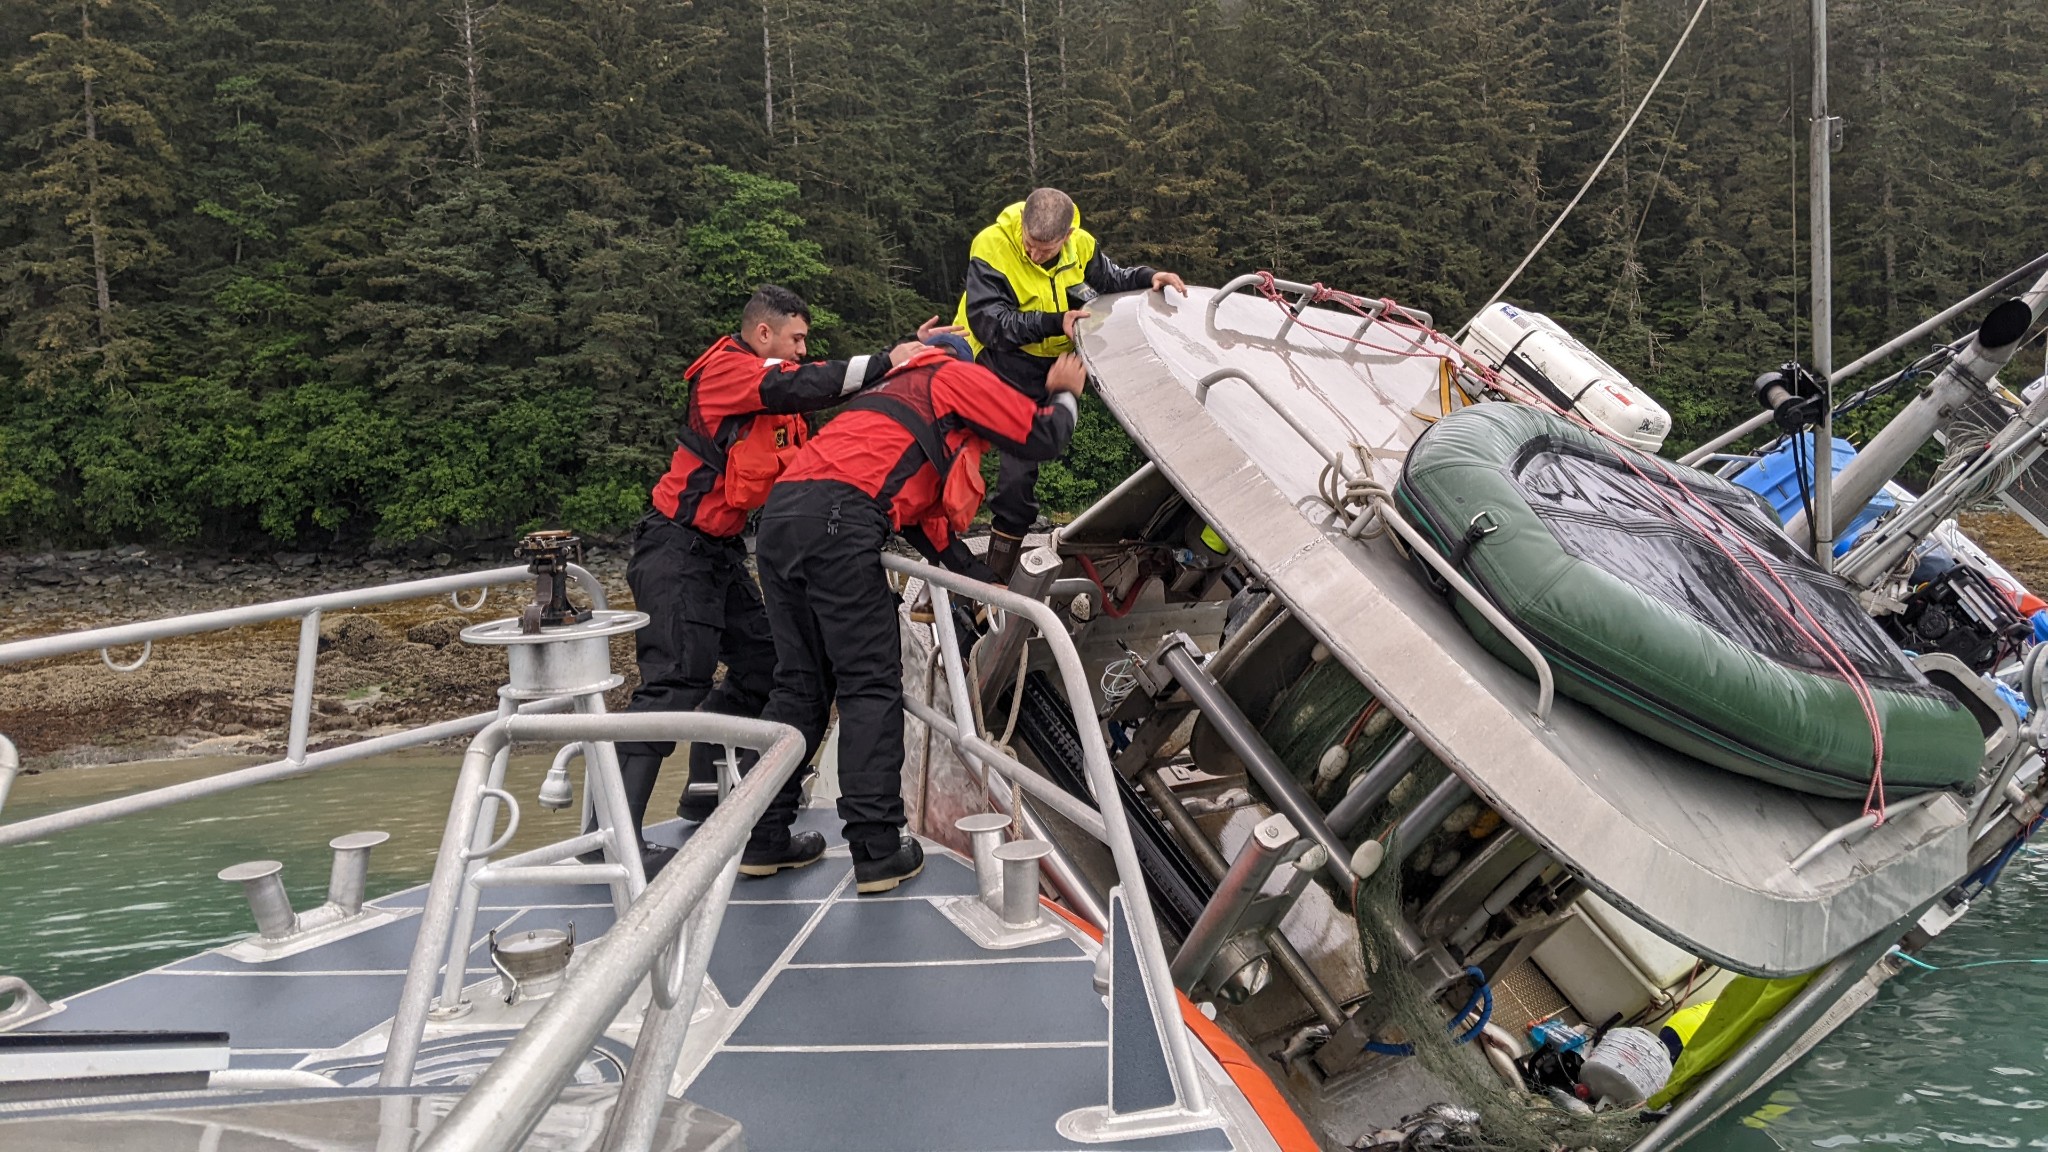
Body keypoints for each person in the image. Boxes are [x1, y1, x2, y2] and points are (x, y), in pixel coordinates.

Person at [607, 285, 938, 876]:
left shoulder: (783, 407)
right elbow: (799, 384)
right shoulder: (728, 374)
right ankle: (612, 835)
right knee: (673, 681)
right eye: (797, 338)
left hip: (721, 553)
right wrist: (891, 359)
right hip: (674, 546)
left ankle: (709, 794)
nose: (803, 351)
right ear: (764, 333)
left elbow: (827, 433)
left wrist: (902, 368)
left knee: (763, 663)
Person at [738, 341, 1085, 891]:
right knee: (870, 686)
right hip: (839, 521)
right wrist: (1065, 392)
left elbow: (929, 525)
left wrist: (977, 578)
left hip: (781, 520)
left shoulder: (889, 406)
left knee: (800, 686)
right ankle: (876, 850)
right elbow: (1044, 436)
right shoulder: (949, 375)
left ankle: (760, 836)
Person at [951, 187, 1187, 582]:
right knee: (1008, 472)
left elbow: (1109, 279)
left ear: (1065, 237)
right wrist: (1053, 320)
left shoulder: (1081, 244)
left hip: (1055, 361)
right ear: (1021, 226)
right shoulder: (991, 245)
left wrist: (1149, 276)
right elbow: (991, 323)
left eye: (1044, 249)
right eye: (1029, 244)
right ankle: (985, 580)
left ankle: (1159, 532)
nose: (1034, 254)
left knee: (1032, 467)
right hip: (999, 360)